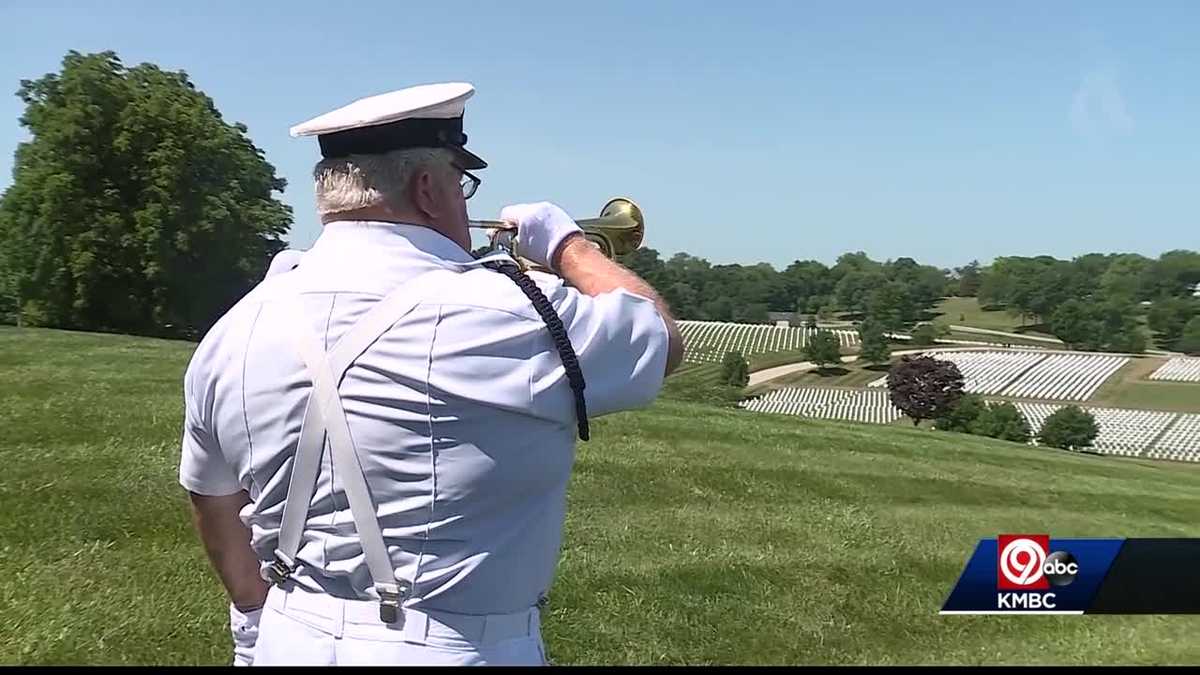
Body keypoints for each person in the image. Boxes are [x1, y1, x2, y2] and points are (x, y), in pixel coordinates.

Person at [178, 81, 683, 666]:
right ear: (426, 188)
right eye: (461, 184)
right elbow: (660, 339)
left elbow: (212, 497)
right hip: (455, 648)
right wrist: (570, 246)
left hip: (288, 636)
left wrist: (254, 622)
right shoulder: (512, 314)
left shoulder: (236, 326)